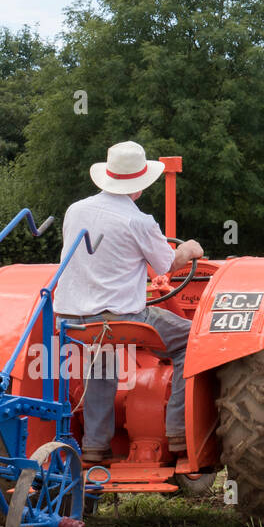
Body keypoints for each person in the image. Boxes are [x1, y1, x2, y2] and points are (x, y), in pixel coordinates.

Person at [53, 140, 205, 464]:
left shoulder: (75, 210)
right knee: (193, 341)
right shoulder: (140, 221)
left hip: (69, 317)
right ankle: (179, 433)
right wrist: (190, 249)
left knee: (103, 358)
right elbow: (166, 265)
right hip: (119, 318)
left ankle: (95, 445)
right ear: (139, 186)